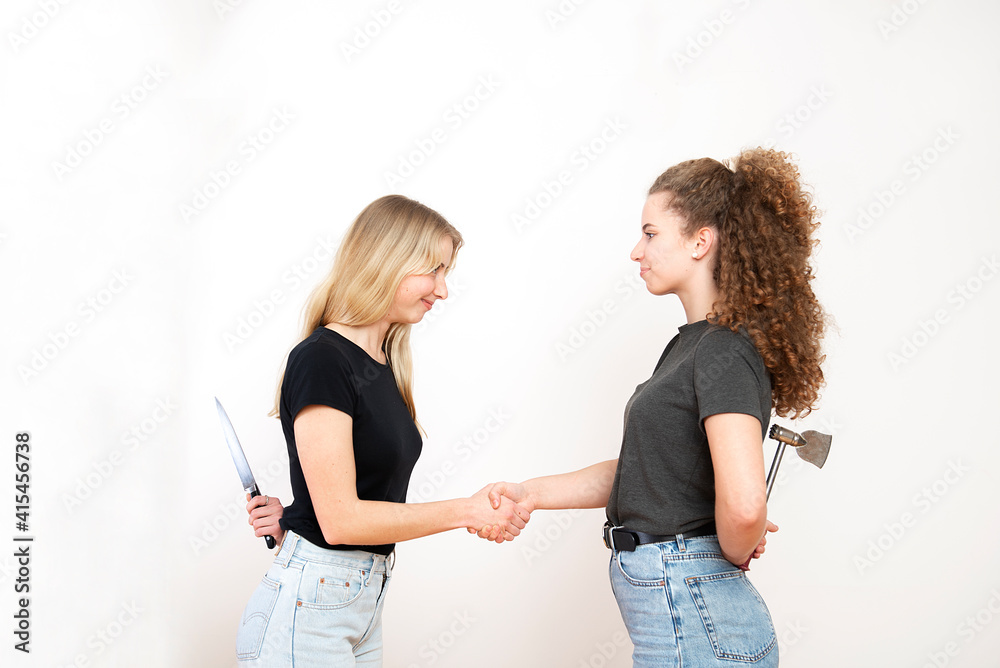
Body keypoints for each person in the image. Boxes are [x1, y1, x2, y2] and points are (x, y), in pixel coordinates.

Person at [476, 148, 827, 666]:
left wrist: (734, 542)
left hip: (695, 607)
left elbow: (746, 506)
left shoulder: (723, 351)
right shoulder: (692, 345)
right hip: (684, 607)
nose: (636, 251)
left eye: (651, 233)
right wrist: (531, 493)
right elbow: (648, 469)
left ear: (700, 242)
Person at [236, 194, 531, 667]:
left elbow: (346, 498)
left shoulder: (383, 366)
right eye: (433, 270)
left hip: (357, 599)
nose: (443, 289)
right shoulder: (322, 359)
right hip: (313, 610)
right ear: (387, 260)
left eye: (446, 274)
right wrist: (467, 511)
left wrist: (294, 516)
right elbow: (342, 521)